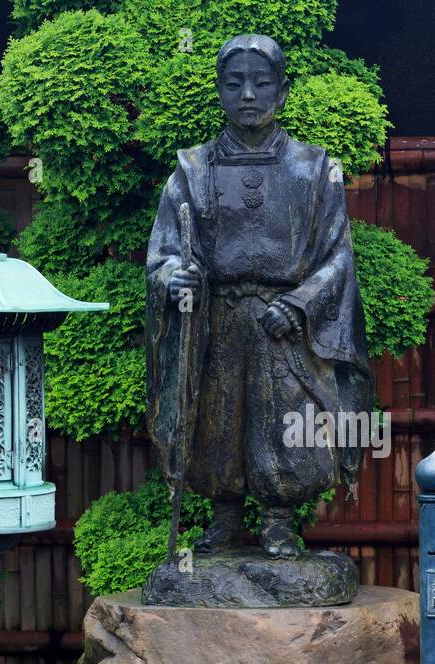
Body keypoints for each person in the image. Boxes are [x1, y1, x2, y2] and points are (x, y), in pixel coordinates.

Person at [145, 33, 373, 559]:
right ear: (220, 92)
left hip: (283, 323)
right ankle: (223, 518)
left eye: (262, 82)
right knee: (216, 421)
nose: (248, 93)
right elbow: (164, 252)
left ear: (283, 90)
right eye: (234, 83)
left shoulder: (316, 169)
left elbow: (338, 257)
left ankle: (277, 519)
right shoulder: (192, 170)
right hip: (216, 320)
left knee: (285, 421)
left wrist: (298, 304)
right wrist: (174, 276)